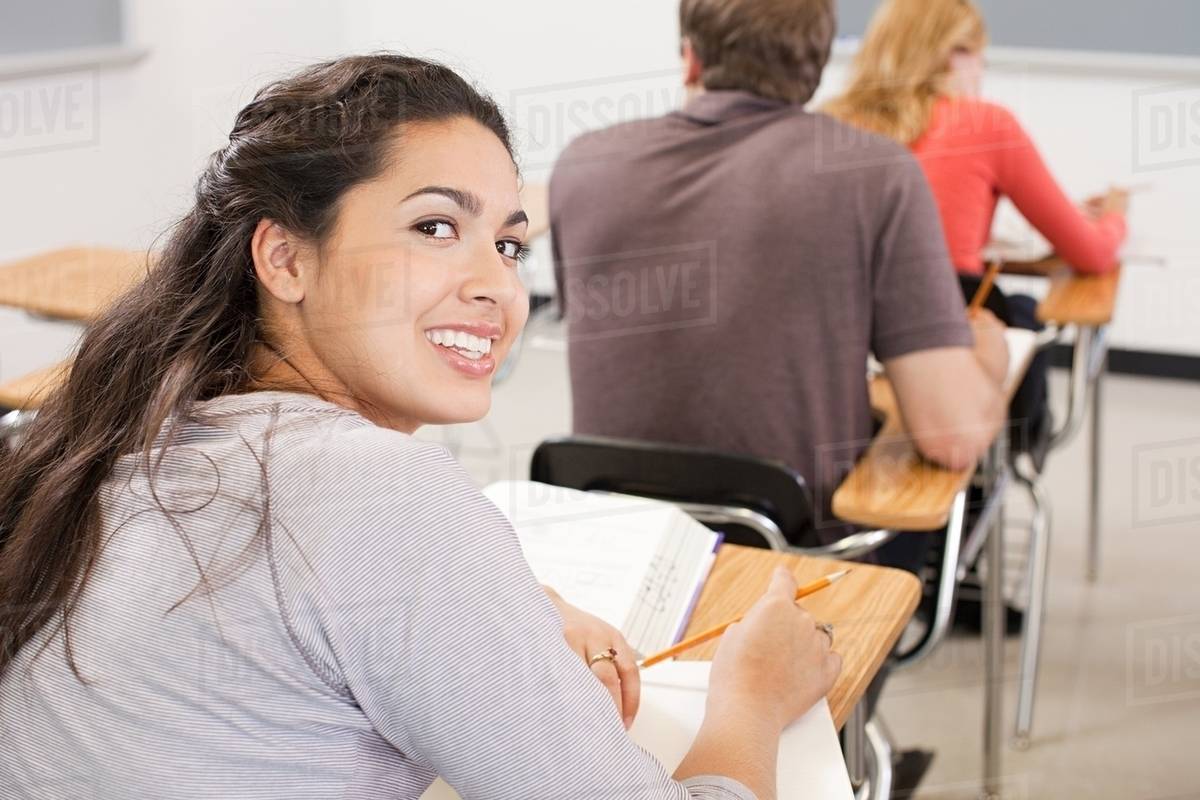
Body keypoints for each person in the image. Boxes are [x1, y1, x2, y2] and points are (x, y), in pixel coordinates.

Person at [0, 55, 841, 800]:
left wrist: (527, 607)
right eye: (435, 228)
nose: (495, 287)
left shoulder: (139, 425)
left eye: (510, 247)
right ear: (285, 258)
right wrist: (754, 696)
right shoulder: (381, 492)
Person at [549, 0, 1009, 551]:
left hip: (614, 551)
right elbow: (950, 437)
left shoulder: (582, 165)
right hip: (800, 561)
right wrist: (991, 352)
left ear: (691, 60)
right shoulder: (875, 173)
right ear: (813, 69)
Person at [824, 0, 1129, 449]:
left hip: (842, 344)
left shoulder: (829, 123)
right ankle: (1025, 447)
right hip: (945, 339)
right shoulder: (985, 123)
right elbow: (1091, 252)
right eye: (981, 57)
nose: (982, 71)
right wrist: (1117, 215)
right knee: (1021, 311)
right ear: (954, 53)